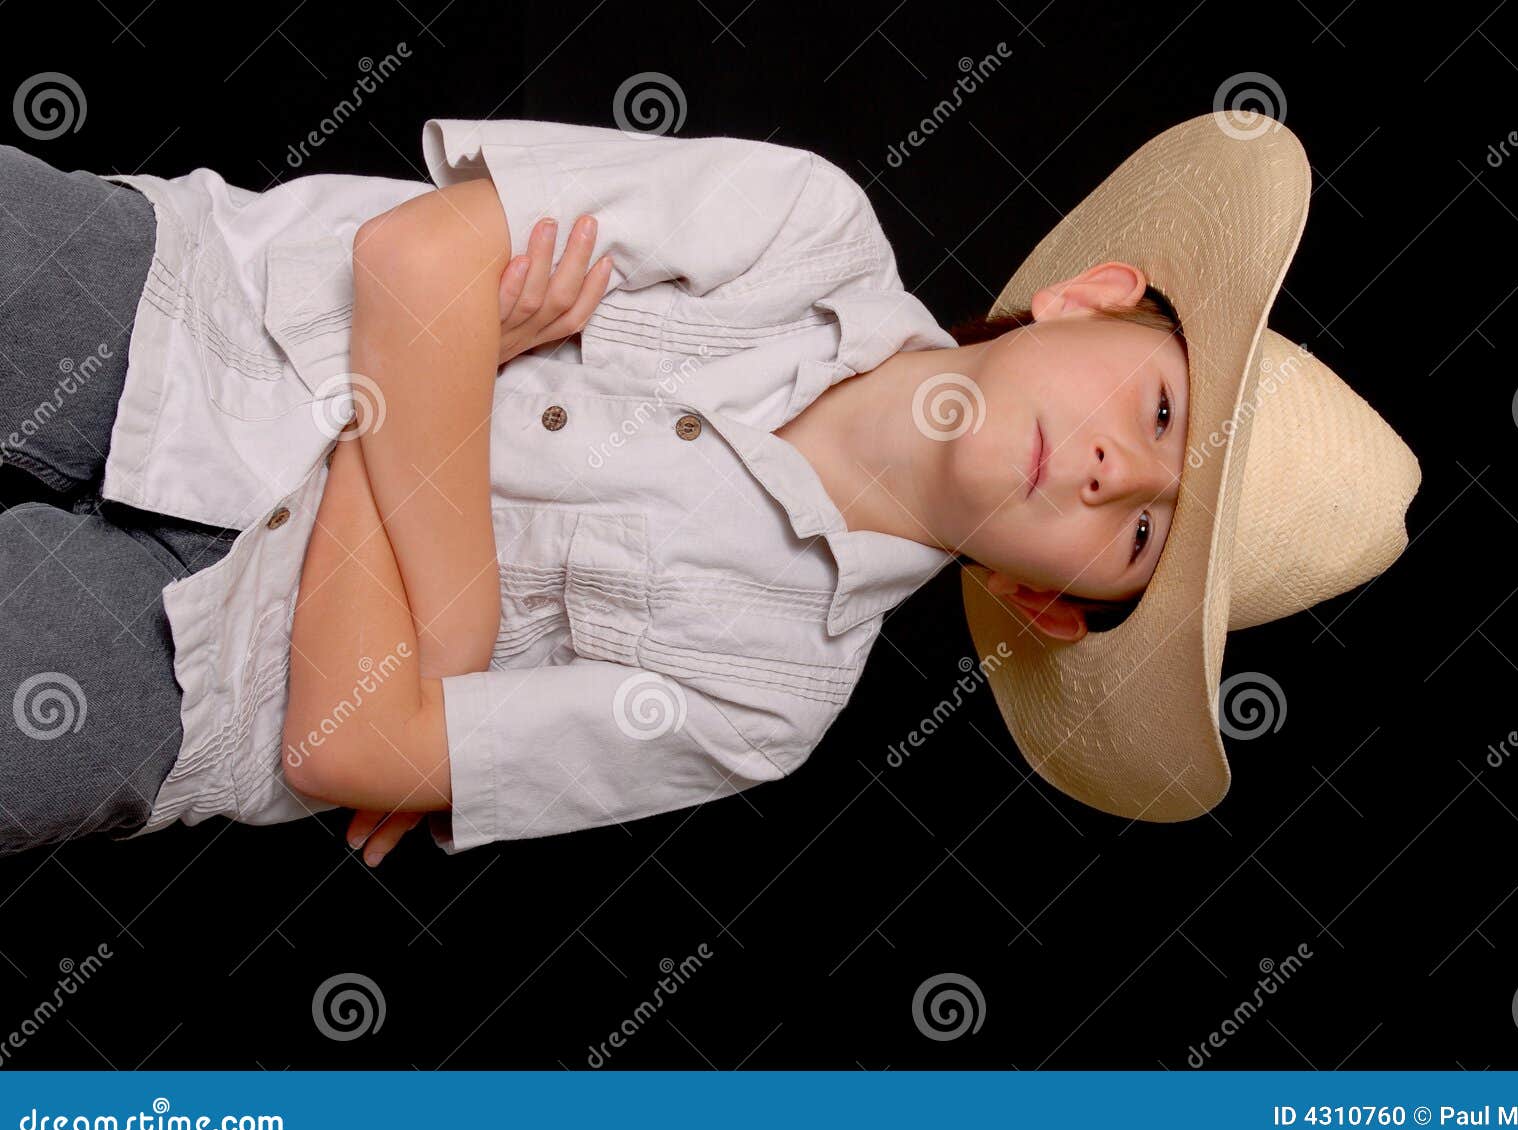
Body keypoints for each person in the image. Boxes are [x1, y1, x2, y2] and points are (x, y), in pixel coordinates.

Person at [0, 112, 1418, 865]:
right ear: (1091, 297)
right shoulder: (808, 227)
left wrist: (443, 383)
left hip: (192, 678)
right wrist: (457, 620)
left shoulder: (768, 699)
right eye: (1160, 407)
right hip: (181, 311)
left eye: (1146, 532)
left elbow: (338, 746)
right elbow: (404, 266)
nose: (1118, 469)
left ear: (1054, 605)